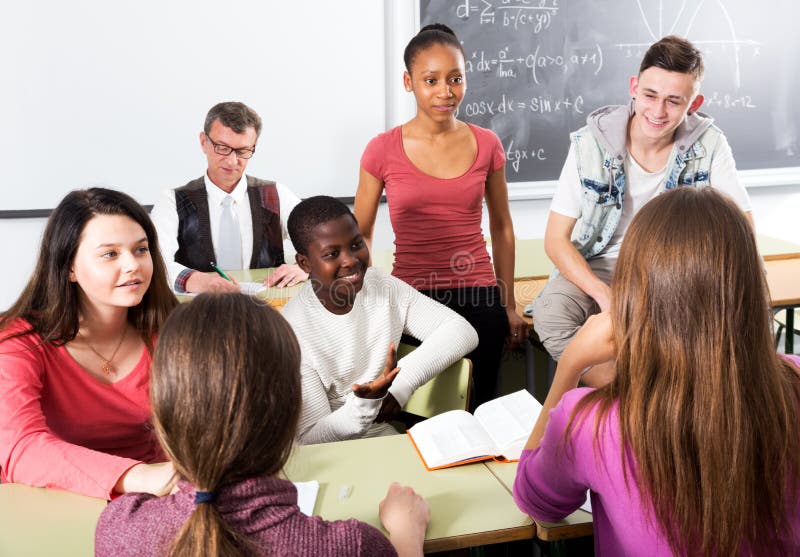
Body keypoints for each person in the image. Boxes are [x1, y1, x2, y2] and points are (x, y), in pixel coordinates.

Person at [513, 187, 800, 556]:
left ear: (633, 293)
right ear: (747, 285)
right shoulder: (793, 381)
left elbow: (536, 502)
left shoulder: (589, 421)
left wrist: (570, 365)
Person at [95, 293, 431, 557]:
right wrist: (406, 534)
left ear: (163, 410)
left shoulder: (119, 526)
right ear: (290, 412)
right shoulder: (350, 546)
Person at [531, 35, 752, 386]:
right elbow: (556, 241)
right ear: (634, 88)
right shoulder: (589, 143)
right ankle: (635, 394)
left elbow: (742, 225)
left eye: (673, 101)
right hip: (600, 269)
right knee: (551, 315)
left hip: (672, 271)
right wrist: (605, 296)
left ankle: (657, 399)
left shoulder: (711, 144)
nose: (658, 111)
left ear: (693, 103)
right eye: (650, 95)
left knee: (716, 323)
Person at [354, 23, 528, 410]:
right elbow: (360, 235)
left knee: (478, 411)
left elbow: (502, 227)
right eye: (430, 80)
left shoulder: (487, 144)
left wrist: (510, 304)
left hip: (480, 295)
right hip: (413, 297)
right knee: (415, 414)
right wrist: (366, 300)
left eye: (455, 79)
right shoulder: (381, 150)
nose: (445, 92)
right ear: (408, 82)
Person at [0, 188, 178, 499]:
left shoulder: (172, 329)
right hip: (48, 503)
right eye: (110, 254)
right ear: (69, 267)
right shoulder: (18, 341)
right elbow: (21, 447)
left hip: (158, 501)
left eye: (141, 249)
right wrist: (139, 476)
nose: (133, 265)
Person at [281, 196, 478, 444]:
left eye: (355, 245)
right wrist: (364, 407)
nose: (351, 260)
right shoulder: (292, 331)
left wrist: (399, 386)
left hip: (383, 438)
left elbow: (461, 330)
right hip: (330, 456)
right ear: (304, 263)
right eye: (332, 253)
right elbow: (311, 439)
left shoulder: (380, 285)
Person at [150, 101, 307, 294]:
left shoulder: (276, 195)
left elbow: (324, 243)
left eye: (243, 151)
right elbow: (155, 261)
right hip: (197, 315)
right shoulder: (172, 201)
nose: (232, 161)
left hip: (267, 313)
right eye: (222, 148)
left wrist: (307, 267)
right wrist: (195, 280)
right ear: (203, 142)